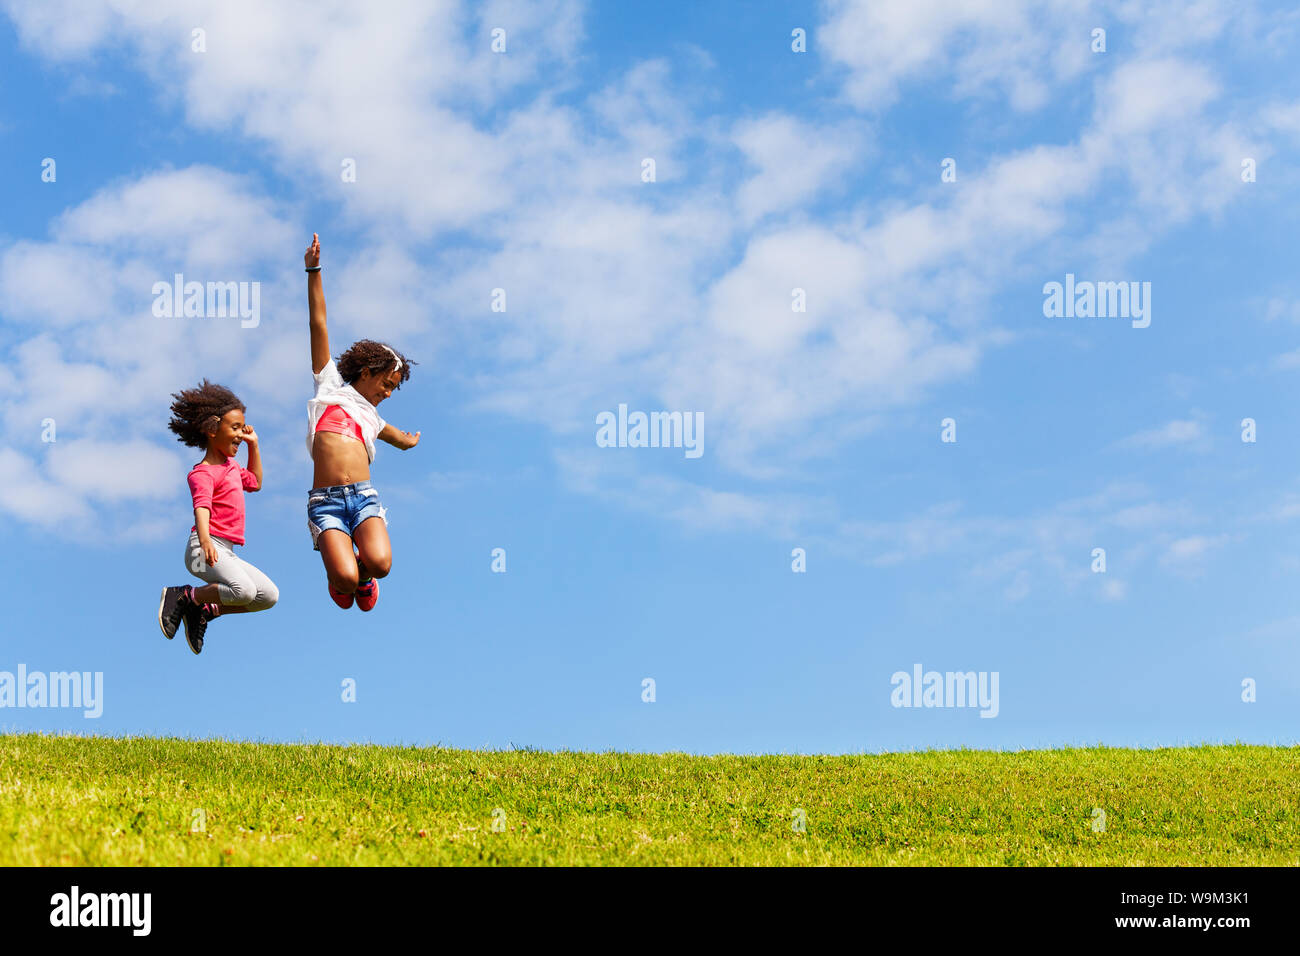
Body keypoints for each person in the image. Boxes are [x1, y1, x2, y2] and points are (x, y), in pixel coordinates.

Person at [304, 233, 420, 611]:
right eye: (386, 385)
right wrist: (314, 271)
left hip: (364, 497)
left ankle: (364, 576)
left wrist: (409, 441)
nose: (387, 394)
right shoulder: (331, 386)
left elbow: (396, 437)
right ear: (366, 372)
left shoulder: (372, 418)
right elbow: (318, 323)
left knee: (381, 565)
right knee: (345, 579)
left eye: (392, 391)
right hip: (326, 503)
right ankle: (344, 576)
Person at [158, 382, 278, 654]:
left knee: (268, 596)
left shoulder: (232, 467)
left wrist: (254, 445)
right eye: (235, 428)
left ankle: (205, 610)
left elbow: (256, 482)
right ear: (212, 430)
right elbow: (201, 507)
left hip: (227, 551)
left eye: (242, 428)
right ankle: (185, 596)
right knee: (244, 592)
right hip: (204, 547)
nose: (240, 434)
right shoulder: (203, 473)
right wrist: (204, 540)